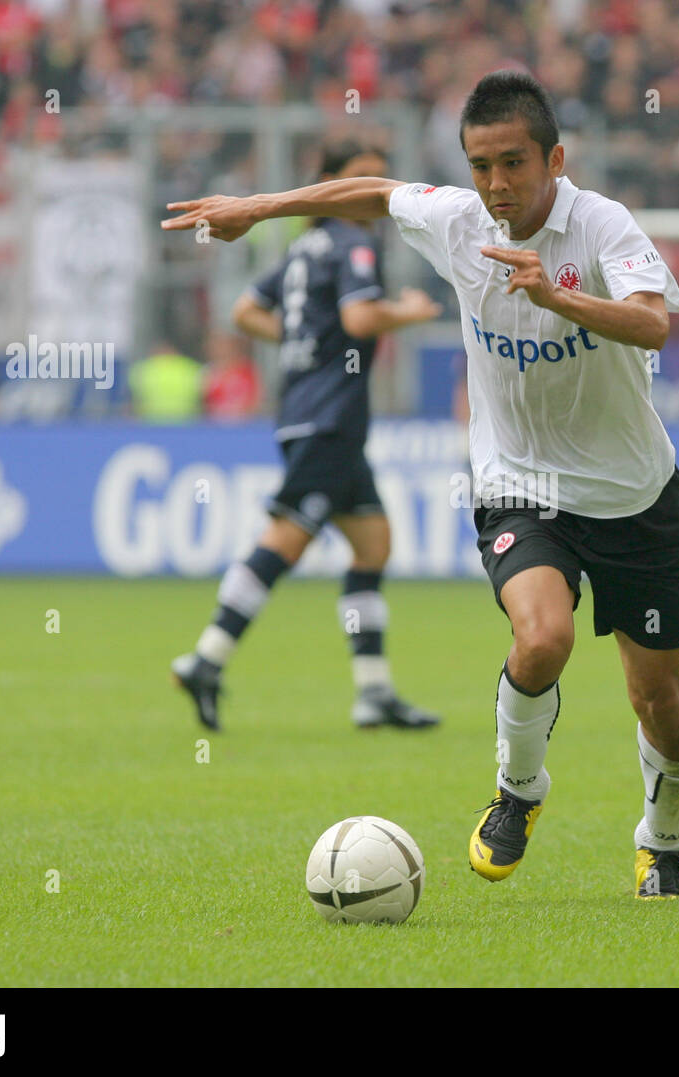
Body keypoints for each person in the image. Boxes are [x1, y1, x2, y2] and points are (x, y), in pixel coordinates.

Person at [162, 73, 679, 900]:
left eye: (513, 163)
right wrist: (258, 206)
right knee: (541, 638)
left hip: (634, 494)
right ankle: (519, 791)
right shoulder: (456, 219)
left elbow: (653, 322)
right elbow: (375, 190)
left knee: (661, 700)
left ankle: (662, 841)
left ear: (554, 159)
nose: (494, 184)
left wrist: (558, 295)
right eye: (479, 164)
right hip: (520, 484)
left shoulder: (601, 225)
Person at [170, 139, 443, 733]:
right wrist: (409, 312)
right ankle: (206, 659)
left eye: (381, 178)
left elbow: (244, 311)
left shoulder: (302, 249)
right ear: (329, 184)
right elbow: (359, 319)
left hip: (305, 410)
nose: (375, 194)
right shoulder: (352, 242)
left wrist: (303, 344)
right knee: (287, 537)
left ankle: (373, 693)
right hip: (331, 419)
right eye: (362, 179)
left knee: (372, 544)